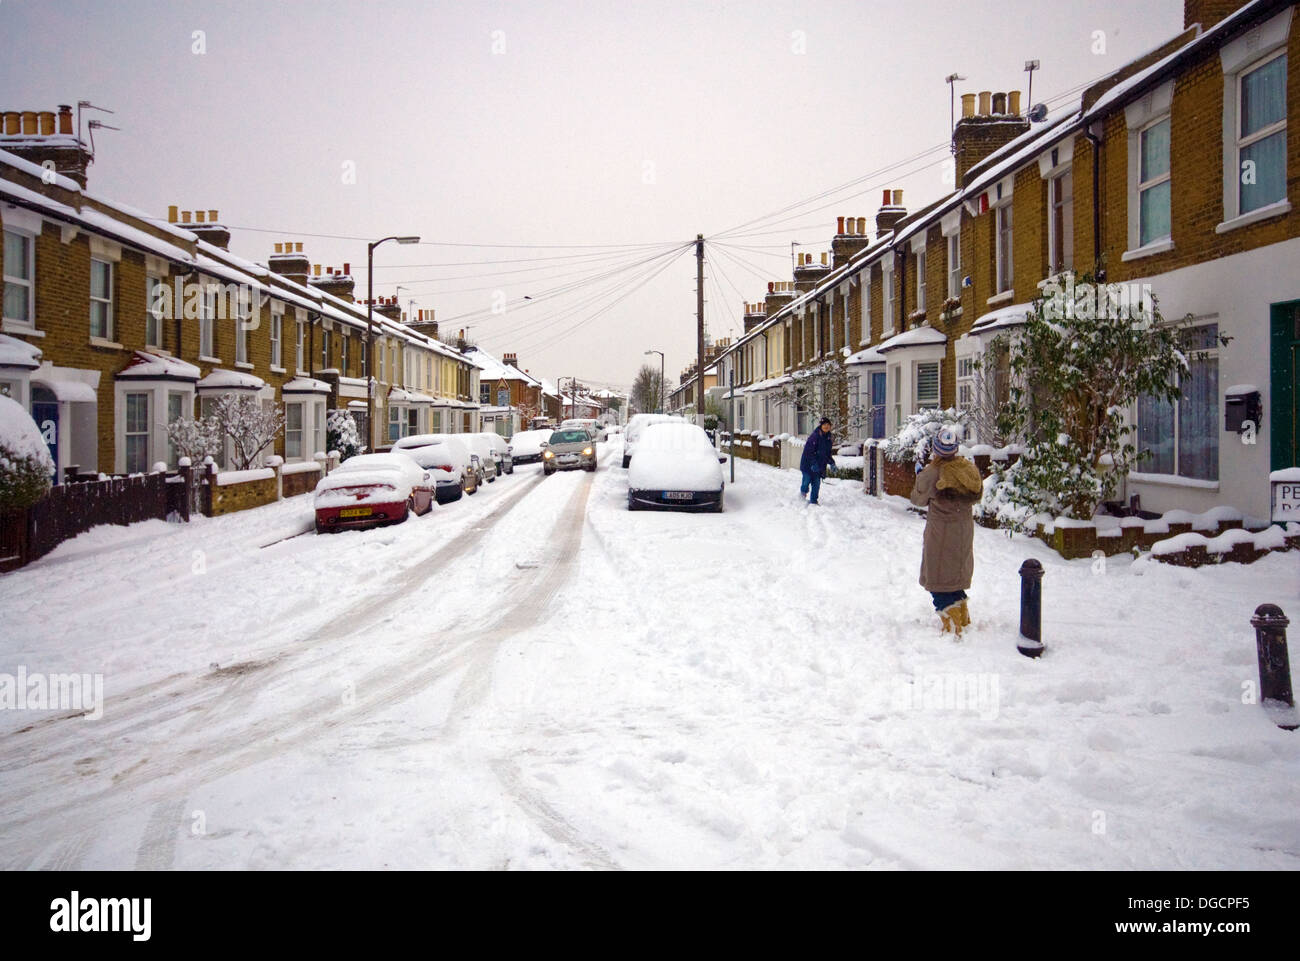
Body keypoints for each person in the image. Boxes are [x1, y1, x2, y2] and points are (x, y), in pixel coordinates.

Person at [908, 427, 983, 635]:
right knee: (954, 575)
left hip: (941, 531)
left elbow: (917, 499)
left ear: (936, 449)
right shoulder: (968, 469)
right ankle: (963, 616)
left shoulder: (932, 473)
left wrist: (919, 476)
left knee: (939, 580)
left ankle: (953, 625)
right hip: (964, 529)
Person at [799, 418, 836, 505]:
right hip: (807, 464)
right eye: (824, 425)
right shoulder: (814, 436)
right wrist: (813, 463)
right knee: (806, 481)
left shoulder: (829, 438)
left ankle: (814, 501)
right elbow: (808, 452)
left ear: (830, 426)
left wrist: (832, 463)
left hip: (819, 466)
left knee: (816, 484)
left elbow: (827, 453)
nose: (826, 426)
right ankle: (802, 496)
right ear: (821, 426)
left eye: (828, 425)